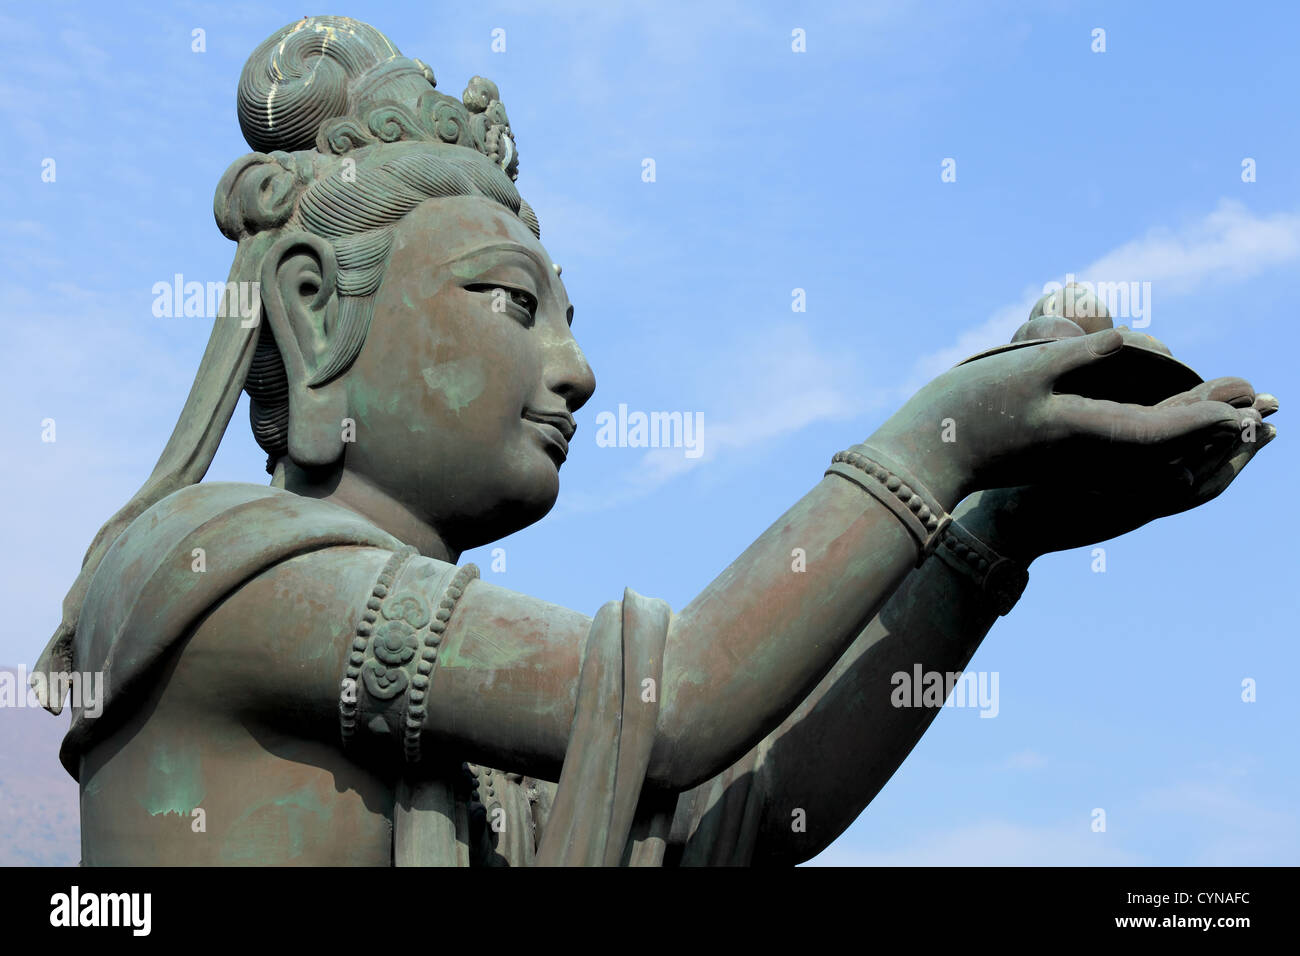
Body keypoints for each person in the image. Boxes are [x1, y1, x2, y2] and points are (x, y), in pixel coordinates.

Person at [33, 16, 1277, 866]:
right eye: (513, 304)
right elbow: (670, 703)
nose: (574, 367)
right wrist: (943, 436)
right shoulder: (222, 572)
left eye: (568, 318)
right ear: (311, 312)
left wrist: (990, 536)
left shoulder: (466, 739)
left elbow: (735, 825)